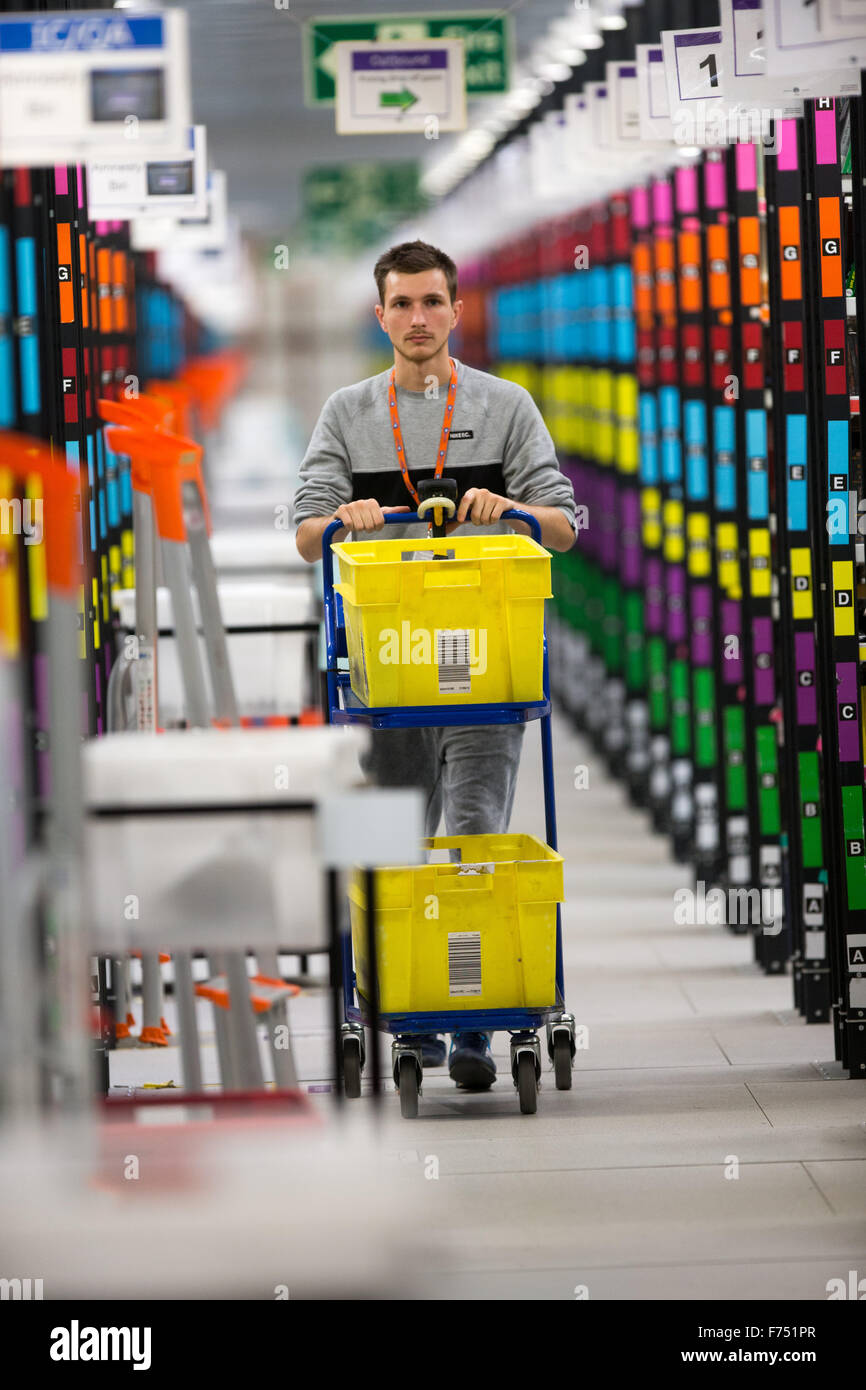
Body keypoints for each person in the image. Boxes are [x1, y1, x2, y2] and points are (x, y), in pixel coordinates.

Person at [294, 239, 577, 1089]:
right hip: (385, 675)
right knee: (392, 844)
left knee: (476, 837)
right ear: (379, 316)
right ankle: (405, 1015)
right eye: (401, 305)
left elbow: (564, 527)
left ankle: (476, 1027)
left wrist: (514, 506)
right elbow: (305, 532)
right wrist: (343, 517)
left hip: (486, 671)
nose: (417, 319)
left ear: (456, 310)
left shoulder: (507, 405)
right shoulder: (348, 412)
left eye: (431, 302)